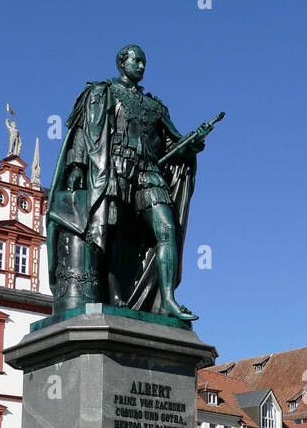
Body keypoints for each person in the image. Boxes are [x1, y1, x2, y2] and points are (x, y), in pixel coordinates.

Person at [47, 44, 216, 320]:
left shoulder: (155, 106)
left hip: (149, 172)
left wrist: (192, 144)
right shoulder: (103, 93)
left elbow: (174, 145)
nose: (141, 66)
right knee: (114, 232)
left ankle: (168, 299)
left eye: (144, 63)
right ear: (121, 62)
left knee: (167, 228)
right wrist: (76, 167)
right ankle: (114, 293)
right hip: (115, 170)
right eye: (136, 61)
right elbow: (83, 132)